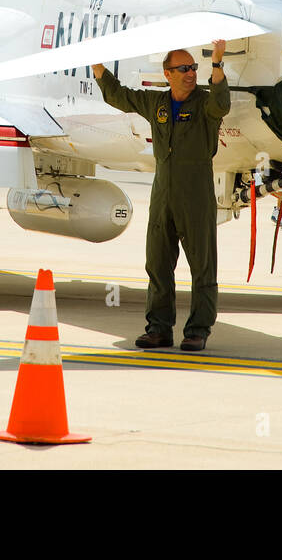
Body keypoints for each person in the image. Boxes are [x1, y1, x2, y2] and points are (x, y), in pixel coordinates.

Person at [93, 40, 229, 352]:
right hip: (162, 194)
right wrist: (98, 67)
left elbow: (222, 105)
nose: (190, 73)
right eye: (183, 69)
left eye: (194, 68)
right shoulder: (158, 103)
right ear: (167, 73)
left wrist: (217, 65)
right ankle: (158, 328)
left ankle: (198, 330)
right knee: (157, 263)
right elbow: (120, 97)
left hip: (196, 194)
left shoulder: (206, 104)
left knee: (203, 266)